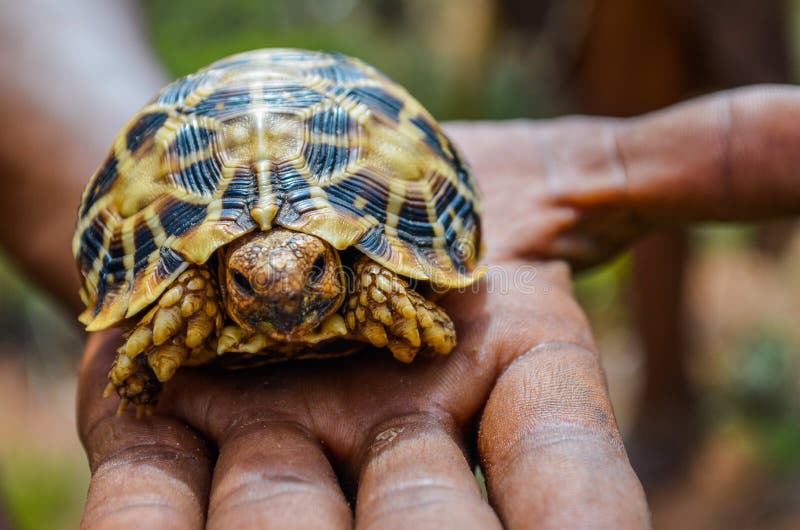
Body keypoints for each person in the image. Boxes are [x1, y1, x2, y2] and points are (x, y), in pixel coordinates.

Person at [2, 1, 799, 528]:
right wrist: (141, 360)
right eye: (248, 283)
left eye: (310, 277)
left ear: (335, 264)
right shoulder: (208, 285)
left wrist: (400, 303)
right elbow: (151, 330)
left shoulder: (360, 269)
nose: (283, 300)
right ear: (226, 275)